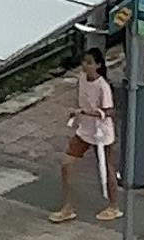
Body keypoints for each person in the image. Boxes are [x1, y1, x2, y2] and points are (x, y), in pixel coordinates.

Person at [50, 48, 119, 222]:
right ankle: (67, 207)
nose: (85, 66)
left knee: (107, 168)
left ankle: (114, 206)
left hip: (101, 133)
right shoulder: (81, 79)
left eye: (89, 63)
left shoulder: (103, 86)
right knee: (67, 163)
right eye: (84, 62)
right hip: (84, 130)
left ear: (98, 65)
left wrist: (91, 113)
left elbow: (109, 111)